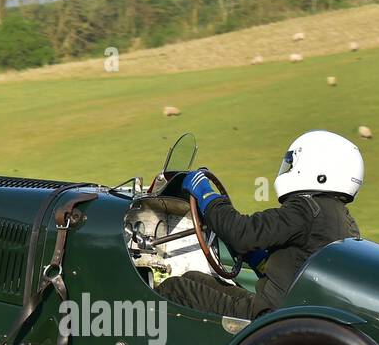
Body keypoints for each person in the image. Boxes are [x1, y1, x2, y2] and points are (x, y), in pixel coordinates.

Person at [156, 130, 364, 320]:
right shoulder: (343, 221)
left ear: (318, 170)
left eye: (292, 164)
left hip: (269, 316)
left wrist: (206, 195)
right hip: (291, 313)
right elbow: (297, 264)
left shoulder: (306, 209)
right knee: (193, 278)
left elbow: (242, 233)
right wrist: (258, 259)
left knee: (174, 288)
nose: (288, 169)